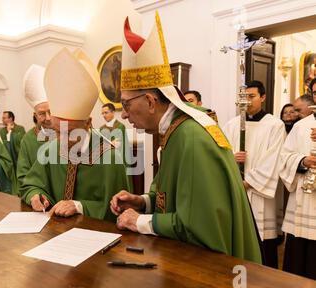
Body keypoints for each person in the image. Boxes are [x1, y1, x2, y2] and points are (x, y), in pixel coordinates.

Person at [110, 13, 262, 263]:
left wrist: (141, 221)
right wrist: (142, 202)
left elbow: (198, 225)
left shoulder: (190, 137)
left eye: (126, 105)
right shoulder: (175, 131)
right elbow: (175, 199)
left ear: (150, 101)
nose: (124, 115)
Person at [20, 48, 131, 221]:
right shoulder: (52, 149)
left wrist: (79, 206)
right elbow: (31, 184)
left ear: (88, 123)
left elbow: (119, 211)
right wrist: (35, 195)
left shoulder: (109, 158)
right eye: (58, 131)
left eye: (71, 132)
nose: (63, 141)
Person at [222, 80, 286, 268]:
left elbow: (274, 160)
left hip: (258, 192)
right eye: (244, 97)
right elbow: (220, 153)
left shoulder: (275, 125)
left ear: (263, 97)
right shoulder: (232, 125)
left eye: (252, 96)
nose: (247, 101)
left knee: (262, 240)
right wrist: (232, 159)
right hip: (236, 188)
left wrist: (247, 182)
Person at [279, 78, 316, 280]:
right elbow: (285, 157)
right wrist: (303, 161)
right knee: (298, 268)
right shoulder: (301, 126)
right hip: (303, 199)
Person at [17, 65, 54, 194]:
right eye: (42, 113)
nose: (48, 118)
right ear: (35, 115)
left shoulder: (68, 133)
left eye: (51, 111)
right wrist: (34, 195)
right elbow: (23, 176)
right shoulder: (28, 140)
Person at [0, 110, 25, 193]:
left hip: (18, 160)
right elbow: (1, 145)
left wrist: (11, 133)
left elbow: (22, 143)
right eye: (2, 118)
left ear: (10, 118)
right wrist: (8, 133)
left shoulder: (20, 129)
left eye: (4, 118)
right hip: (7, 160)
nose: (2, 120)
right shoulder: (1, 131)